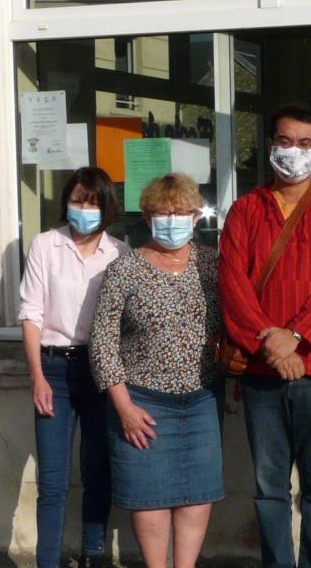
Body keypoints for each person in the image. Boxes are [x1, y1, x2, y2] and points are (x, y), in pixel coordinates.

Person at [218, 104, 311, 568]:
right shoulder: (245, 210)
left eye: (304, 143)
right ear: (270, 146)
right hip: (262, 372)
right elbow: (232, 284)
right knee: (269, 487)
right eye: (285, 141)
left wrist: (297, 336)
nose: (294, 151)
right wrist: (273, 347)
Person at [89, 172, 224, 568]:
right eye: (162, 213)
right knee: (149, 498)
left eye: (180, 212)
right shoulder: (125, 269)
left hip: (201, 398)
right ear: (147, 218)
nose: (171, 220)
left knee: (197, 496)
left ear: (195, 217)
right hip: (142, 402)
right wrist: (124, 407)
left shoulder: (212, 263)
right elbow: (102, 342)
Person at [19, 167, 127, 568]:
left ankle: (93, 554)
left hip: (100, 370)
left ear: (107, 207)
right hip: (54, 370)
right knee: (53, 480)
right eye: (78, 200)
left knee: (98, 471)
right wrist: (37, 377)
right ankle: (47, 560)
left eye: (93, 202)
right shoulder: (45, 245)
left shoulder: (119, 253)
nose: (84, 208)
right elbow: (31, 312)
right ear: (66, 202)